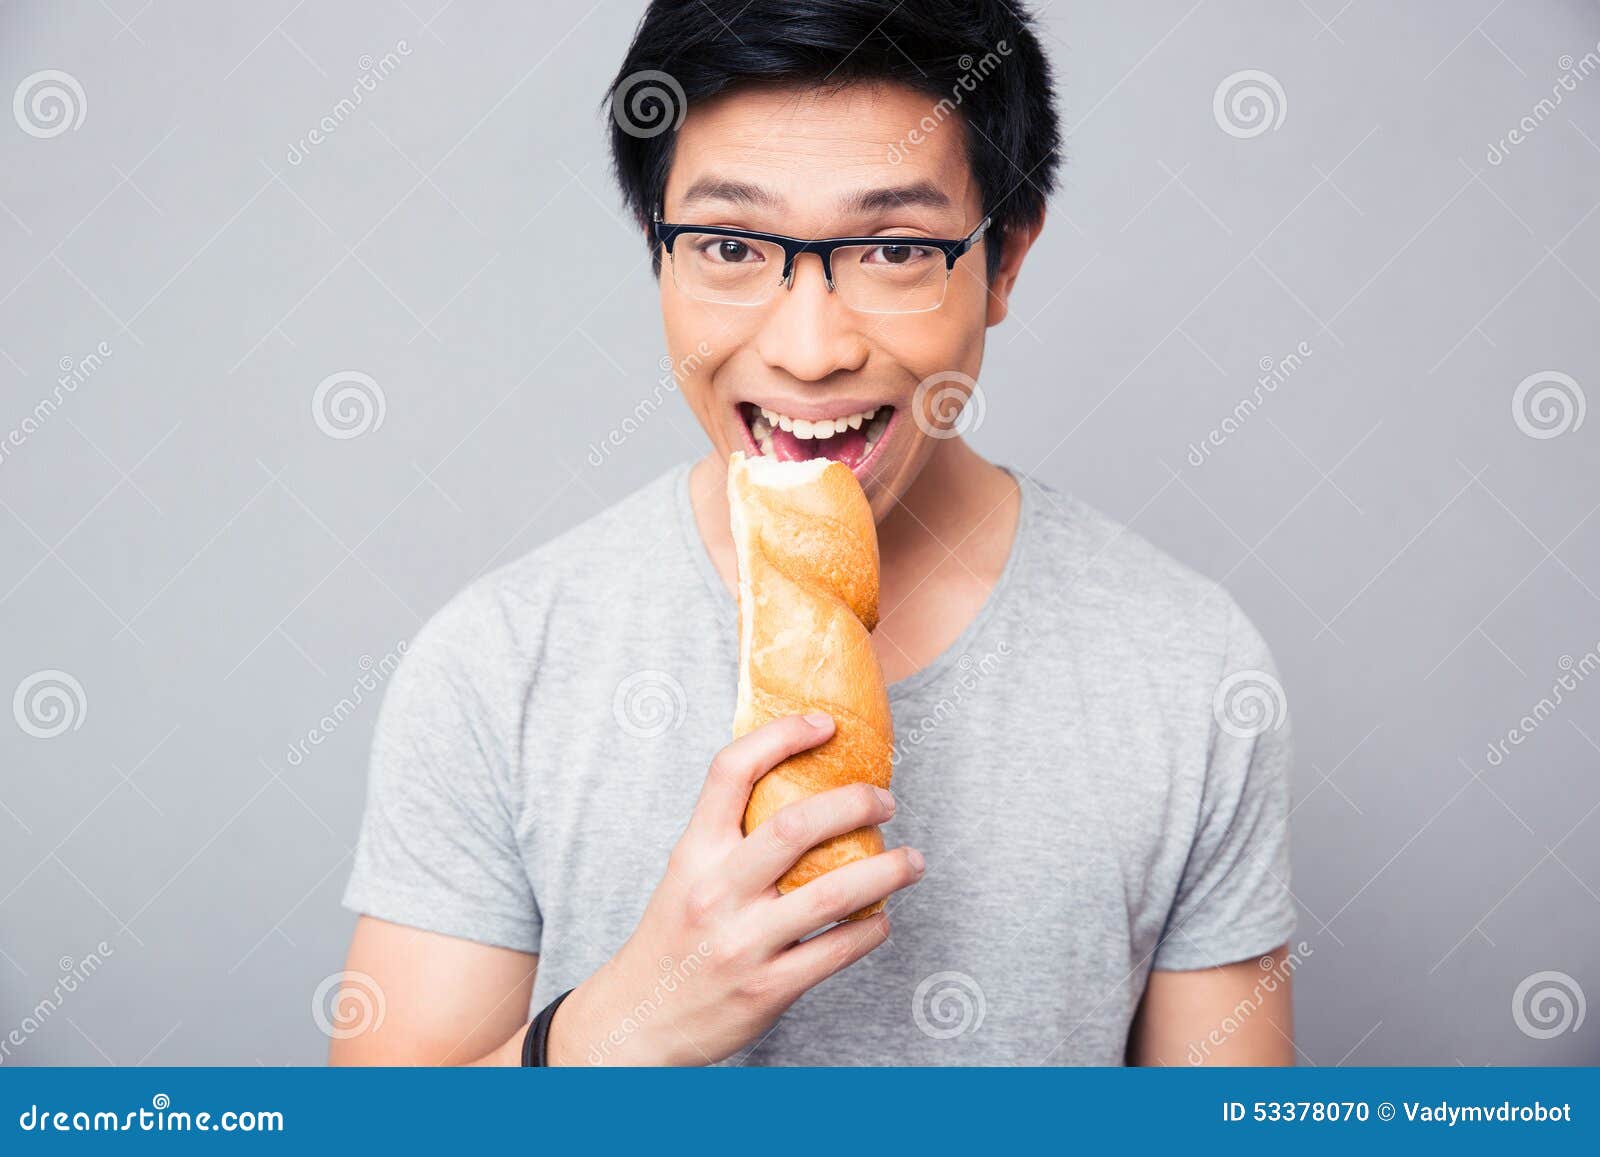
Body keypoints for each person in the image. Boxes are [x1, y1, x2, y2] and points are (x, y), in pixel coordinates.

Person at [332, 0, 1297, 1066]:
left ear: (1006, 261)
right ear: (656, 251)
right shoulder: (497, 661)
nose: (807, 347)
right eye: (730, 243)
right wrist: (623, 1026)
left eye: (892, 247)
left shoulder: (1184, 663)